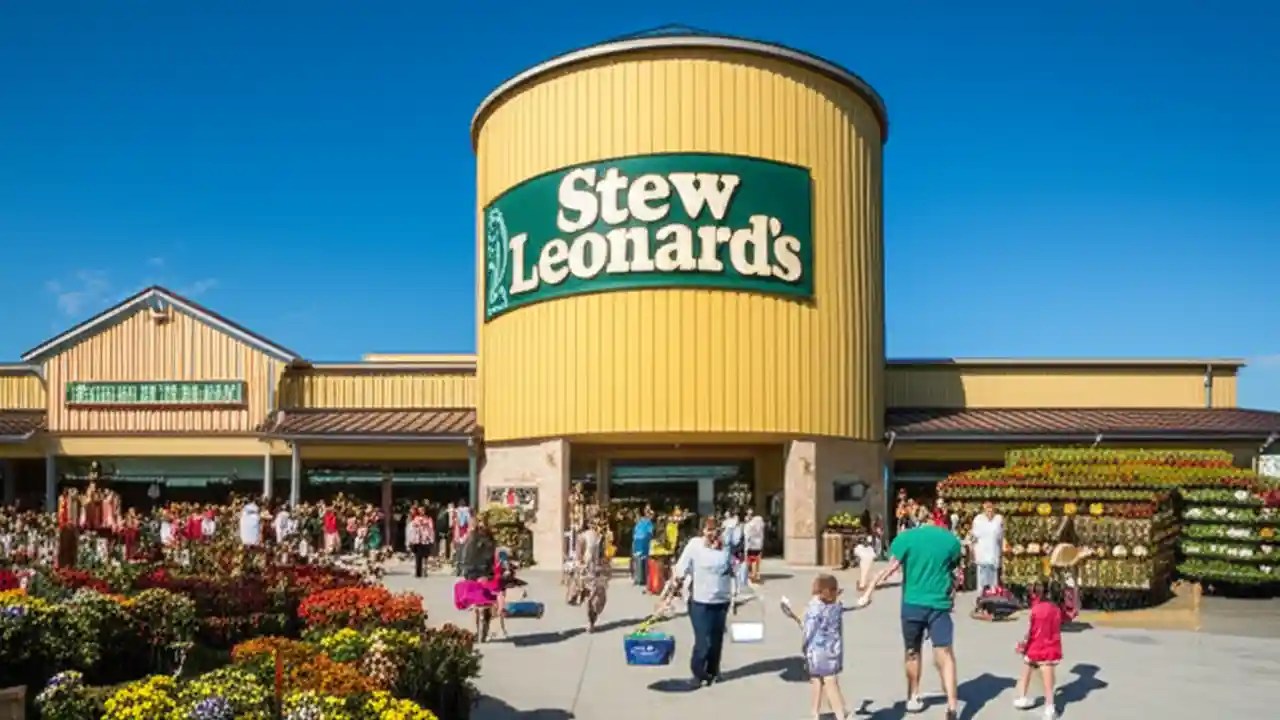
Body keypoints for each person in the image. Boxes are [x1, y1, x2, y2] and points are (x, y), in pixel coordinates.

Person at [860, 519, 963, 720]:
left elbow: (892, 568)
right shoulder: (950, 541)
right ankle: (951, 705)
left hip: (912, 604)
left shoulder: (906, 538)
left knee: (912, 651)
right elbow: (955, 570)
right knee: (945, 654)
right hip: (939, 604)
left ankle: (913, 695)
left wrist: (870, 589)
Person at [669, 516, 734, 689]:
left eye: (716, 530)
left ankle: (713, 672)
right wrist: (676, 583)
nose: (713, 534)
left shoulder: (725, 547)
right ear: (702, 531)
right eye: (709, 530)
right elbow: (681, 567)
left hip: (721, 600)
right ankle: (698, 673)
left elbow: (731, 568)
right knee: (703, 641)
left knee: (716, 640)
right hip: (700, 601)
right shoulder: (695, 545)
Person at [1013, 579, 1068, 718]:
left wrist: (1024, 644)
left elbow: (1032, 631)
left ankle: (1022, 697)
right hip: (1049, 645)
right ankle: (1049, 706)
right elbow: (1065, 619)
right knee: (1047, 673)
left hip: (1034, 645)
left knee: (1026, 668)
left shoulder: (1036, 609)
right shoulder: (1056, 609)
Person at [800, 574, 853, 720]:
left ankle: (818, 714)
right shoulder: (836, 607)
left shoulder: (814, 609)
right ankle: (839, 714)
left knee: (819, 681)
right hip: (832, 651)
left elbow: (808, 630)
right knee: (829, 681)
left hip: (816, 652)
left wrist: (803, 645)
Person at [569, 511, 609, 632]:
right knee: (590, 598)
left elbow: (603, 555)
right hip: (586, 571)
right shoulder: (583, 536)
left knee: (597, 599)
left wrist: (605, 566)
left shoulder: (600, 537)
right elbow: (578, 554)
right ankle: (590, 622)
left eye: (598, 520)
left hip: (597, 571)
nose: (597, 523)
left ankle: (592, 620)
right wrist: (579, 567)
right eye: (594, 520)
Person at [968, 501, 1005, 594]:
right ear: (983, 510)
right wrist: (971, 549)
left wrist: (1002, 551)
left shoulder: (998, 519)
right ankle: (981, 596)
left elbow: (1001, 535)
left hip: (993, 550)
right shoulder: (978, 519)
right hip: (981, 551)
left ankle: (993, 593)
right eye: (987, 510)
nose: (989, 512)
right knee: (982, 578)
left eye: (991, 509)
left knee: (993, 577)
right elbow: (973, 535)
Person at [632, 507, 655, 590]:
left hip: (638, 542)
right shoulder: (648, 523)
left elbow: (635, 532)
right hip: (643, 543)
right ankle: (642, 579)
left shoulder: (640, 522)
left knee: (638, 561)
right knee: (643, 561)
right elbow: (650, 533)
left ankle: (638, 579)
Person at [744, 509, 766, 583]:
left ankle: (753, 575)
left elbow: (747, 535)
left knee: (752, 560)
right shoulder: (760, 523)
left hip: (751, 544)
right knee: (757, 560)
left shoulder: (749, 524)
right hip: (758, 544)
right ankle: (756, 574)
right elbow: (762, 533)